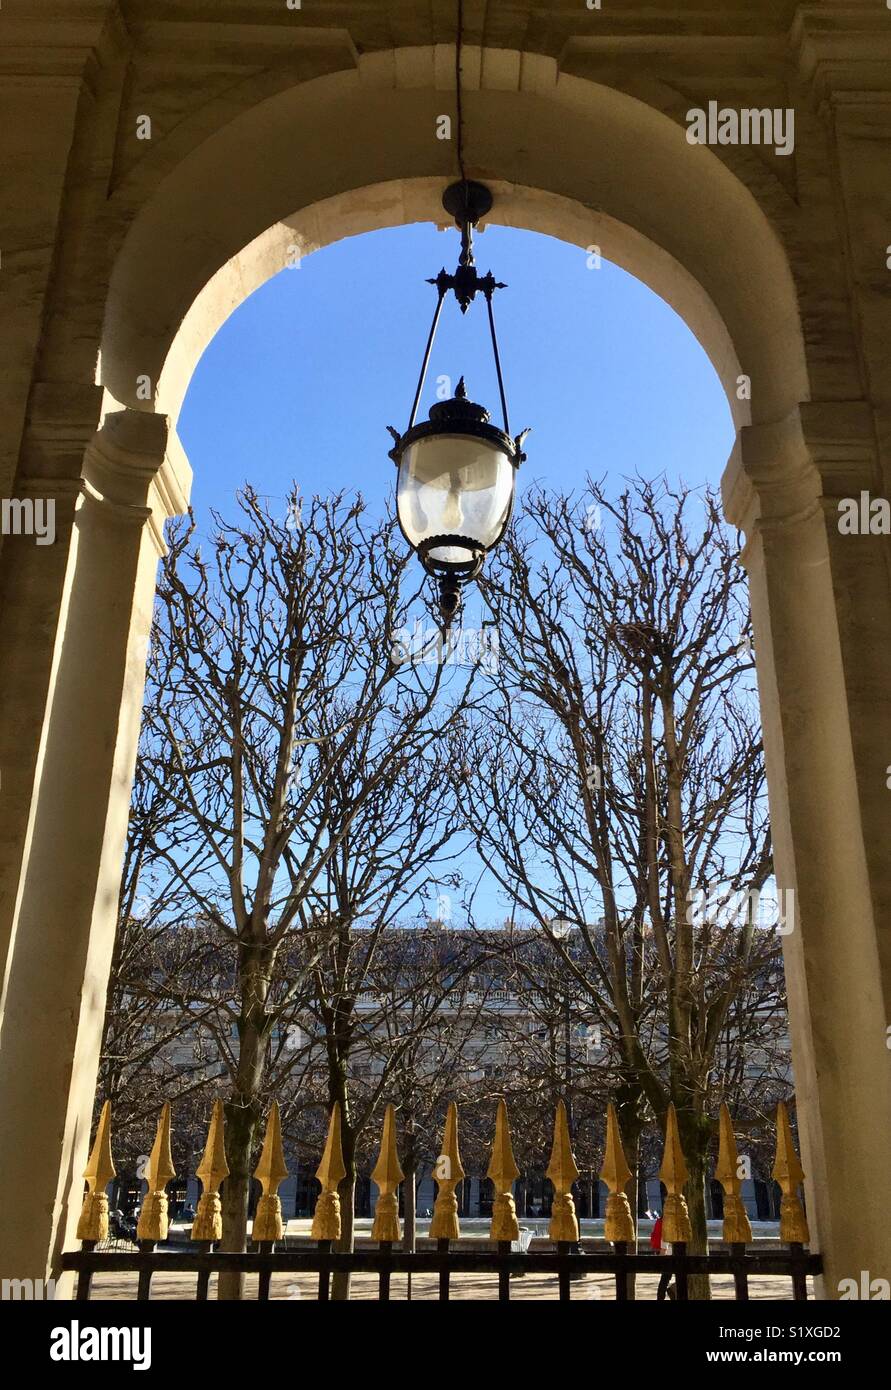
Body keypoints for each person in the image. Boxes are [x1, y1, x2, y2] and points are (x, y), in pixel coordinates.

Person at [650, 1211, 675, 1300]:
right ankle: (670, 1292)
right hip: (671, 1256)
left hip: (669, 1256)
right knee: (665, 1279)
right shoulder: (669, 1224)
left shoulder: (665, 1221)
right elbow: (664, 1243)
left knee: (665, 1279)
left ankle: (669, 1293)